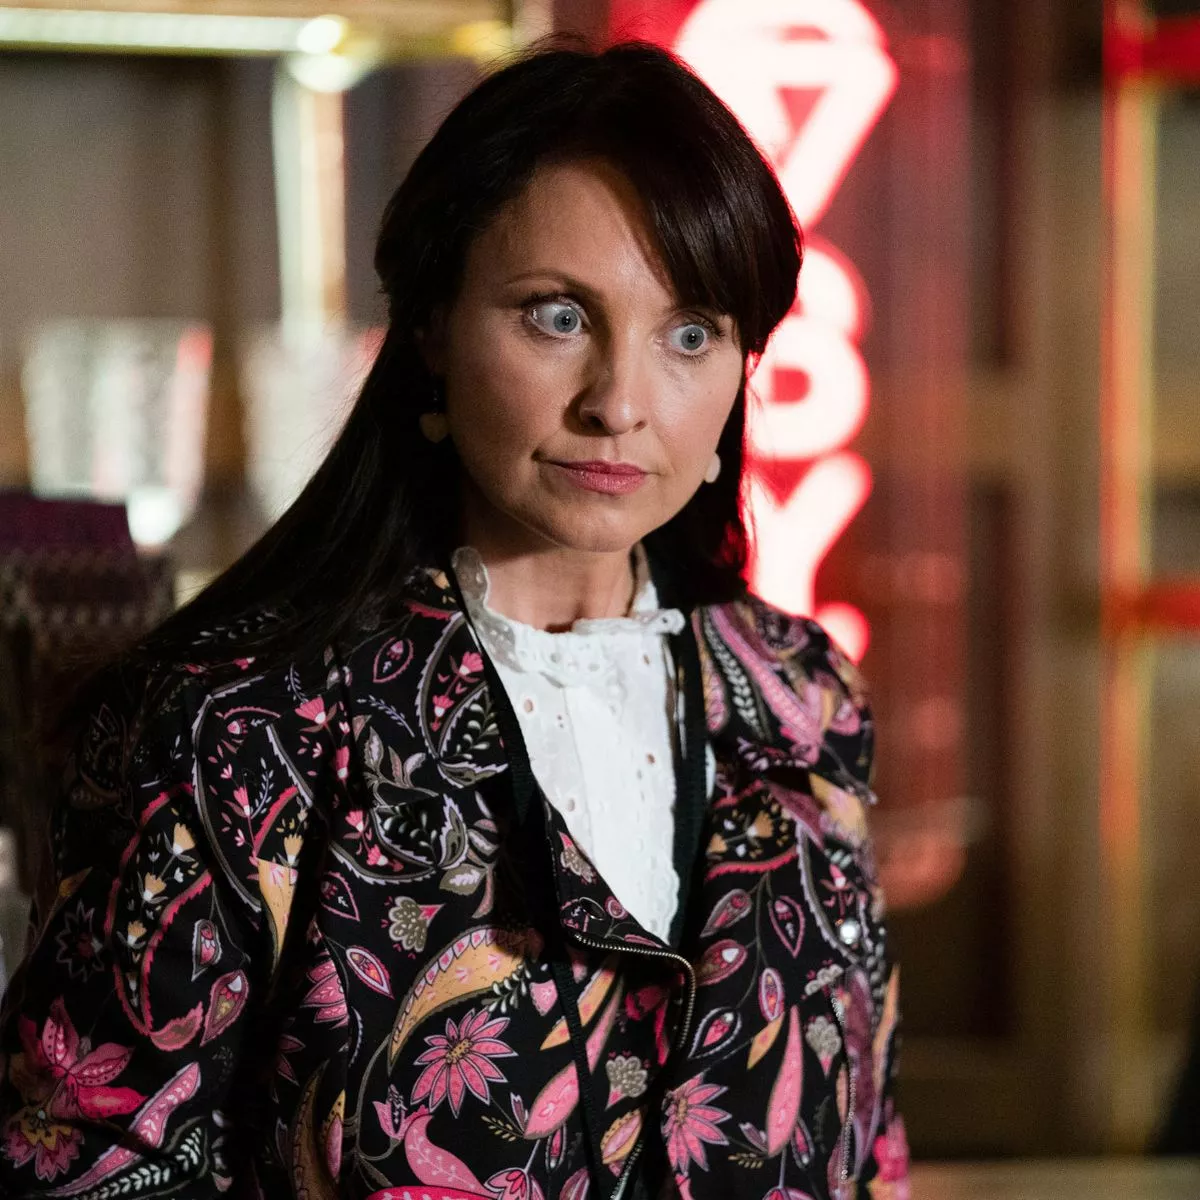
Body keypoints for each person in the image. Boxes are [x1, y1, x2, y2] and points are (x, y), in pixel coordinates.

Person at [0, 40, 909, 1200]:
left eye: (690, 333)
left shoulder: (803, 703)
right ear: (431, 327)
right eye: (556, 317)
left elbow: (870, 1147)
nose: (619, 402)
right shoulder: (243, 732)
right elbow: (81, 1173)